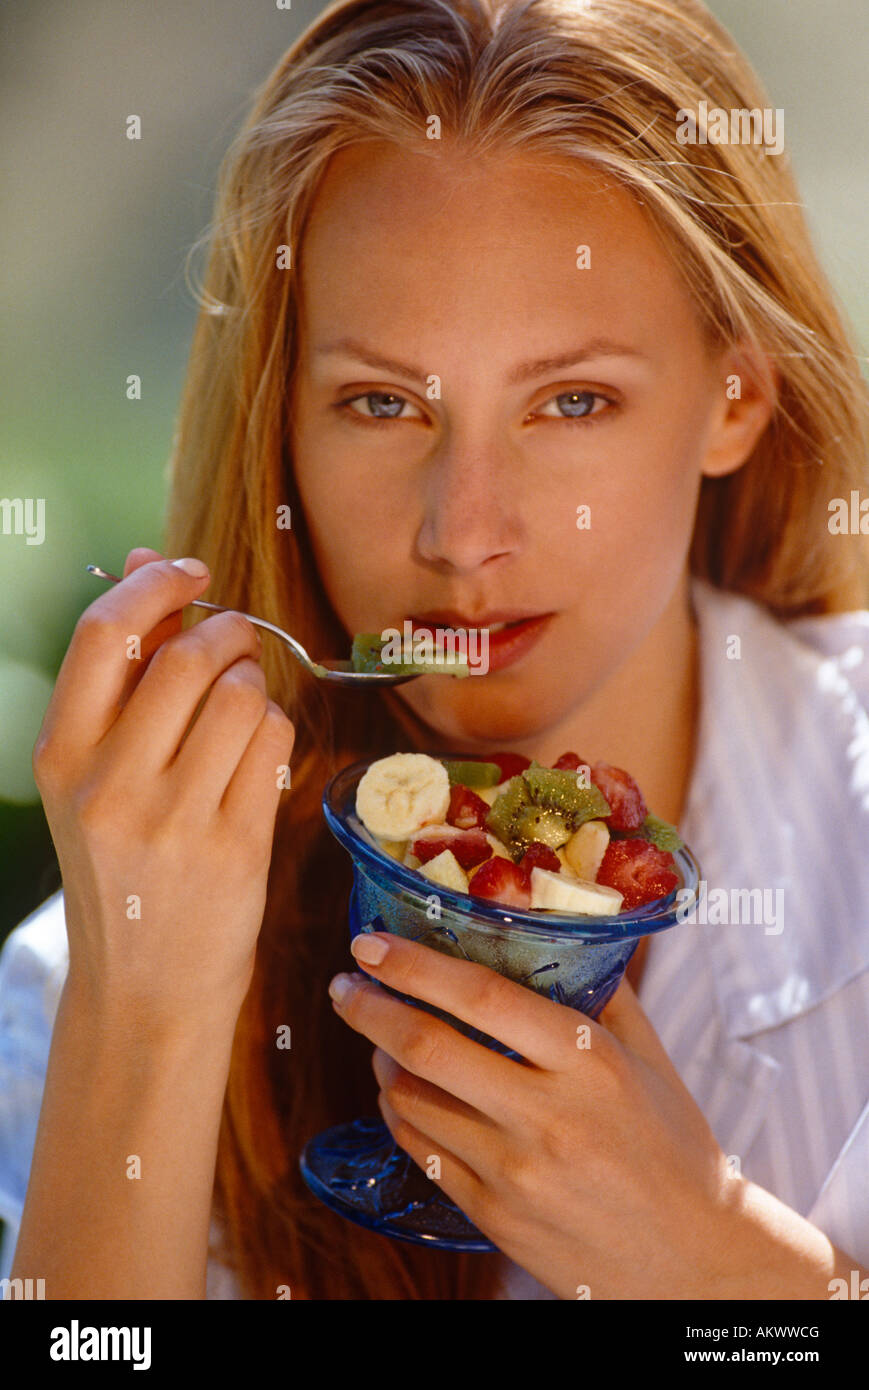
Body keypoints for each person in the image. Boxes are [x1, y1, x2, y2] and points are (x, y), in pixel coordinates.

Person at [2, 0, 868, 1301]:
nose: (463, 535)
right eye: (381, 402)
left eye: (570, 400)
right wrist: (143, 1030)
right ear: (278, 424)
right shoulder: (77, 976)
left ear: (732, 400)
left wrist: (715, 1266)